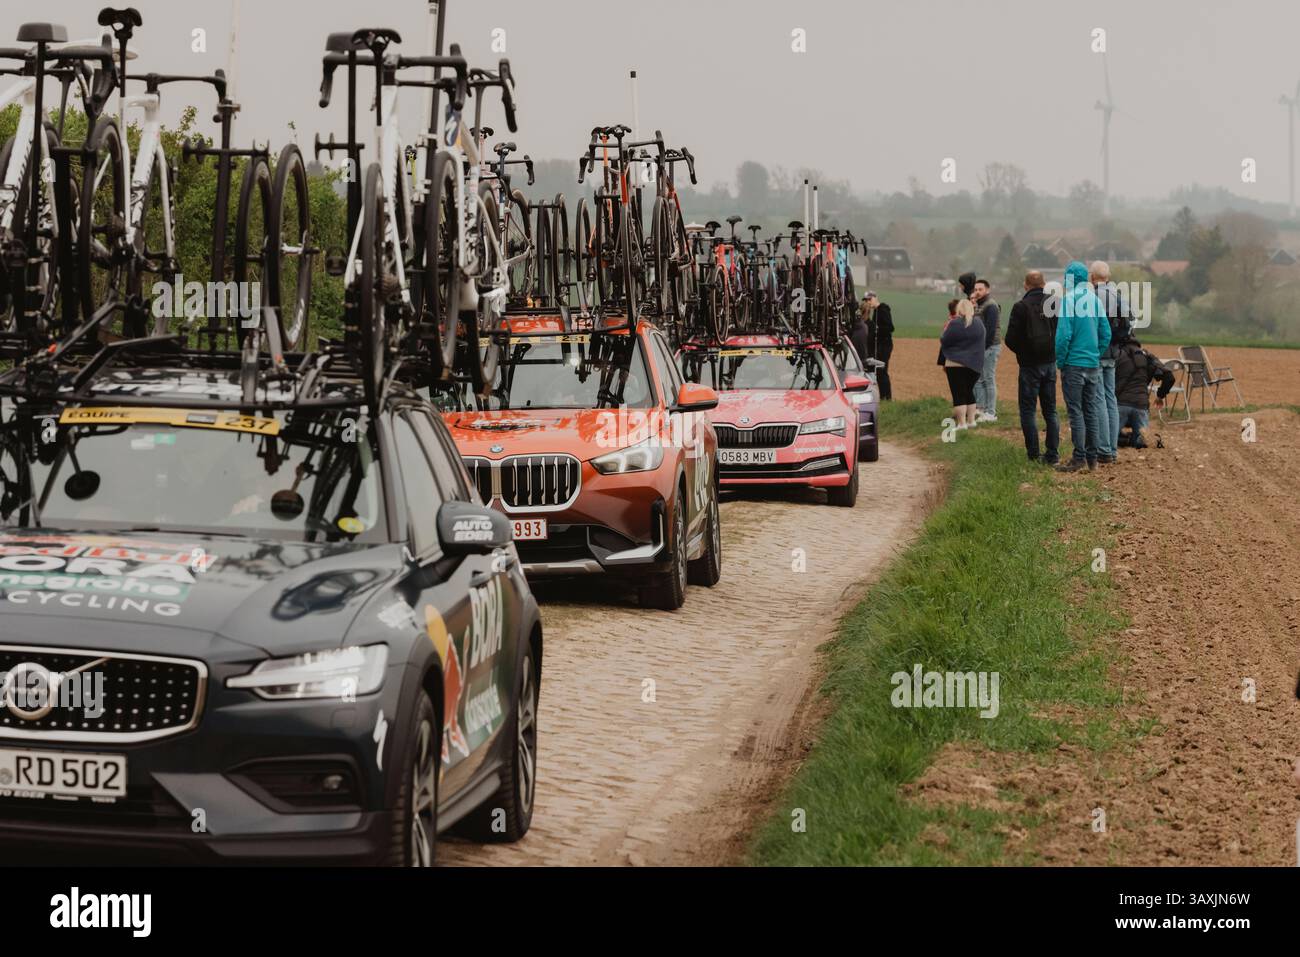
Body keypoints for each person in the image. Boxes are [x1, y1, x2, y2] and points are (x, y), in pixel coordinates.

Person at [1054, 260, 1111, 472]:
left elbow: (1063, 336)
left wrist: (1061, 360)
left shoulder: (1069, 300)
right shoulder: (1094, 300)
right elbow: (1106, 334)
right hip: (1092, 363)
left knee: (1075, 411)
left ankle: (1078, 458)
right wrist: (1096, 351)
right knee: (1090, 410)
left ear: (1069, 278)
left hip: (1073, 364)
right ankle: (1092, 459)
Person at [1003, 270, 1059, 464]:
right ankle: (1052, 455)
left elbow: (1010, 339)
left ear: (1025, 285)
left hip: (1029, 366)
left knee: (1028, 410)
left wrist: (1024, 352)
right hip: (1050, 363)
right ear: (1044, 284)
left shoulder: (1020, 307)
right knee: (1050, 411)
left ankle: (1034, 455)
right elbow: (1061, 332)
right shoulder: (1054, 303)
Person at [1090, 260, 1133, 464]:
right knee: (1110, 399)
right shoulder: (1118, 295)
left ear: (1092, 277)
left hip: (1098, 352)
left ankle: (1104, 449)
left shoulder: (1093, 296)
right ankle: (1113, 449)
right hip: (1115, 352)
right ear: (1108, 276)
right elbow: (1130, 320)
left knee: (1098, 399)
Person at [1114, 337, 1174, 449]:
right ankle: (1135, 439)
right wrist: (1160, 395)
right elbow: (1169, 377)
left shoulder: (1117, 354)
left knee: (1108, 440)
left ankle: (1121, 439)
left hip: (1119, 405)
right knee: (1142, 442)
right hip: (1141, 406)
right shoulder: (1148, 357)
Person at [939, 299, 984, 429]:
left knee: (958, 394)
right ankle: (971, 421)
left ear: (959, 309)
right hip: (974, 364)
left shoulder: (955, 323)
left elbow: (944, 340)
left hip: (955, 363)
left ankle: (961, 423)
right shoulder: (979, 324)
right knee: (969, 392)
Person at [971, 279, 1001, 422]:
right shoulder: (978, 305)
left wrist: (982, 348)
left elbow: (990, 331)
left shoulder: (991, 306)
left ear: (987, 290)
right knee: (980, 378)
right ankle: (981, 409)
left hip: (990, 346)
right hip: (981, 347)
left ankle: (991, 412)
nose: (977, 292)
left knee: (988, 378)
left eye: (980, 289)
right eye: (975, 289)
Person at [862, 291, 894, 400]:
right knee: (879, 372)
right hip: (880, 345)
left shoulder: (883, 309)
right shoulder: (876, 311)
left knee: (882, 371)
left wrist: (877, 330)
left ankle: (887, 397)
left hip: (885, 345)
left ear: (875, 298)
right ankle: (883, 397)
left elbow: (890, 328)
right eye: (866, 300)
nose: (868, 302)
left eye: (870, 299)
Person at [846, 299, 871, 367]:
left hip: (850, 357)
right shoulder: (864, 327)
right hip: (860, 360)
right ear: (867, 313)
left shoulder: (852, 324)